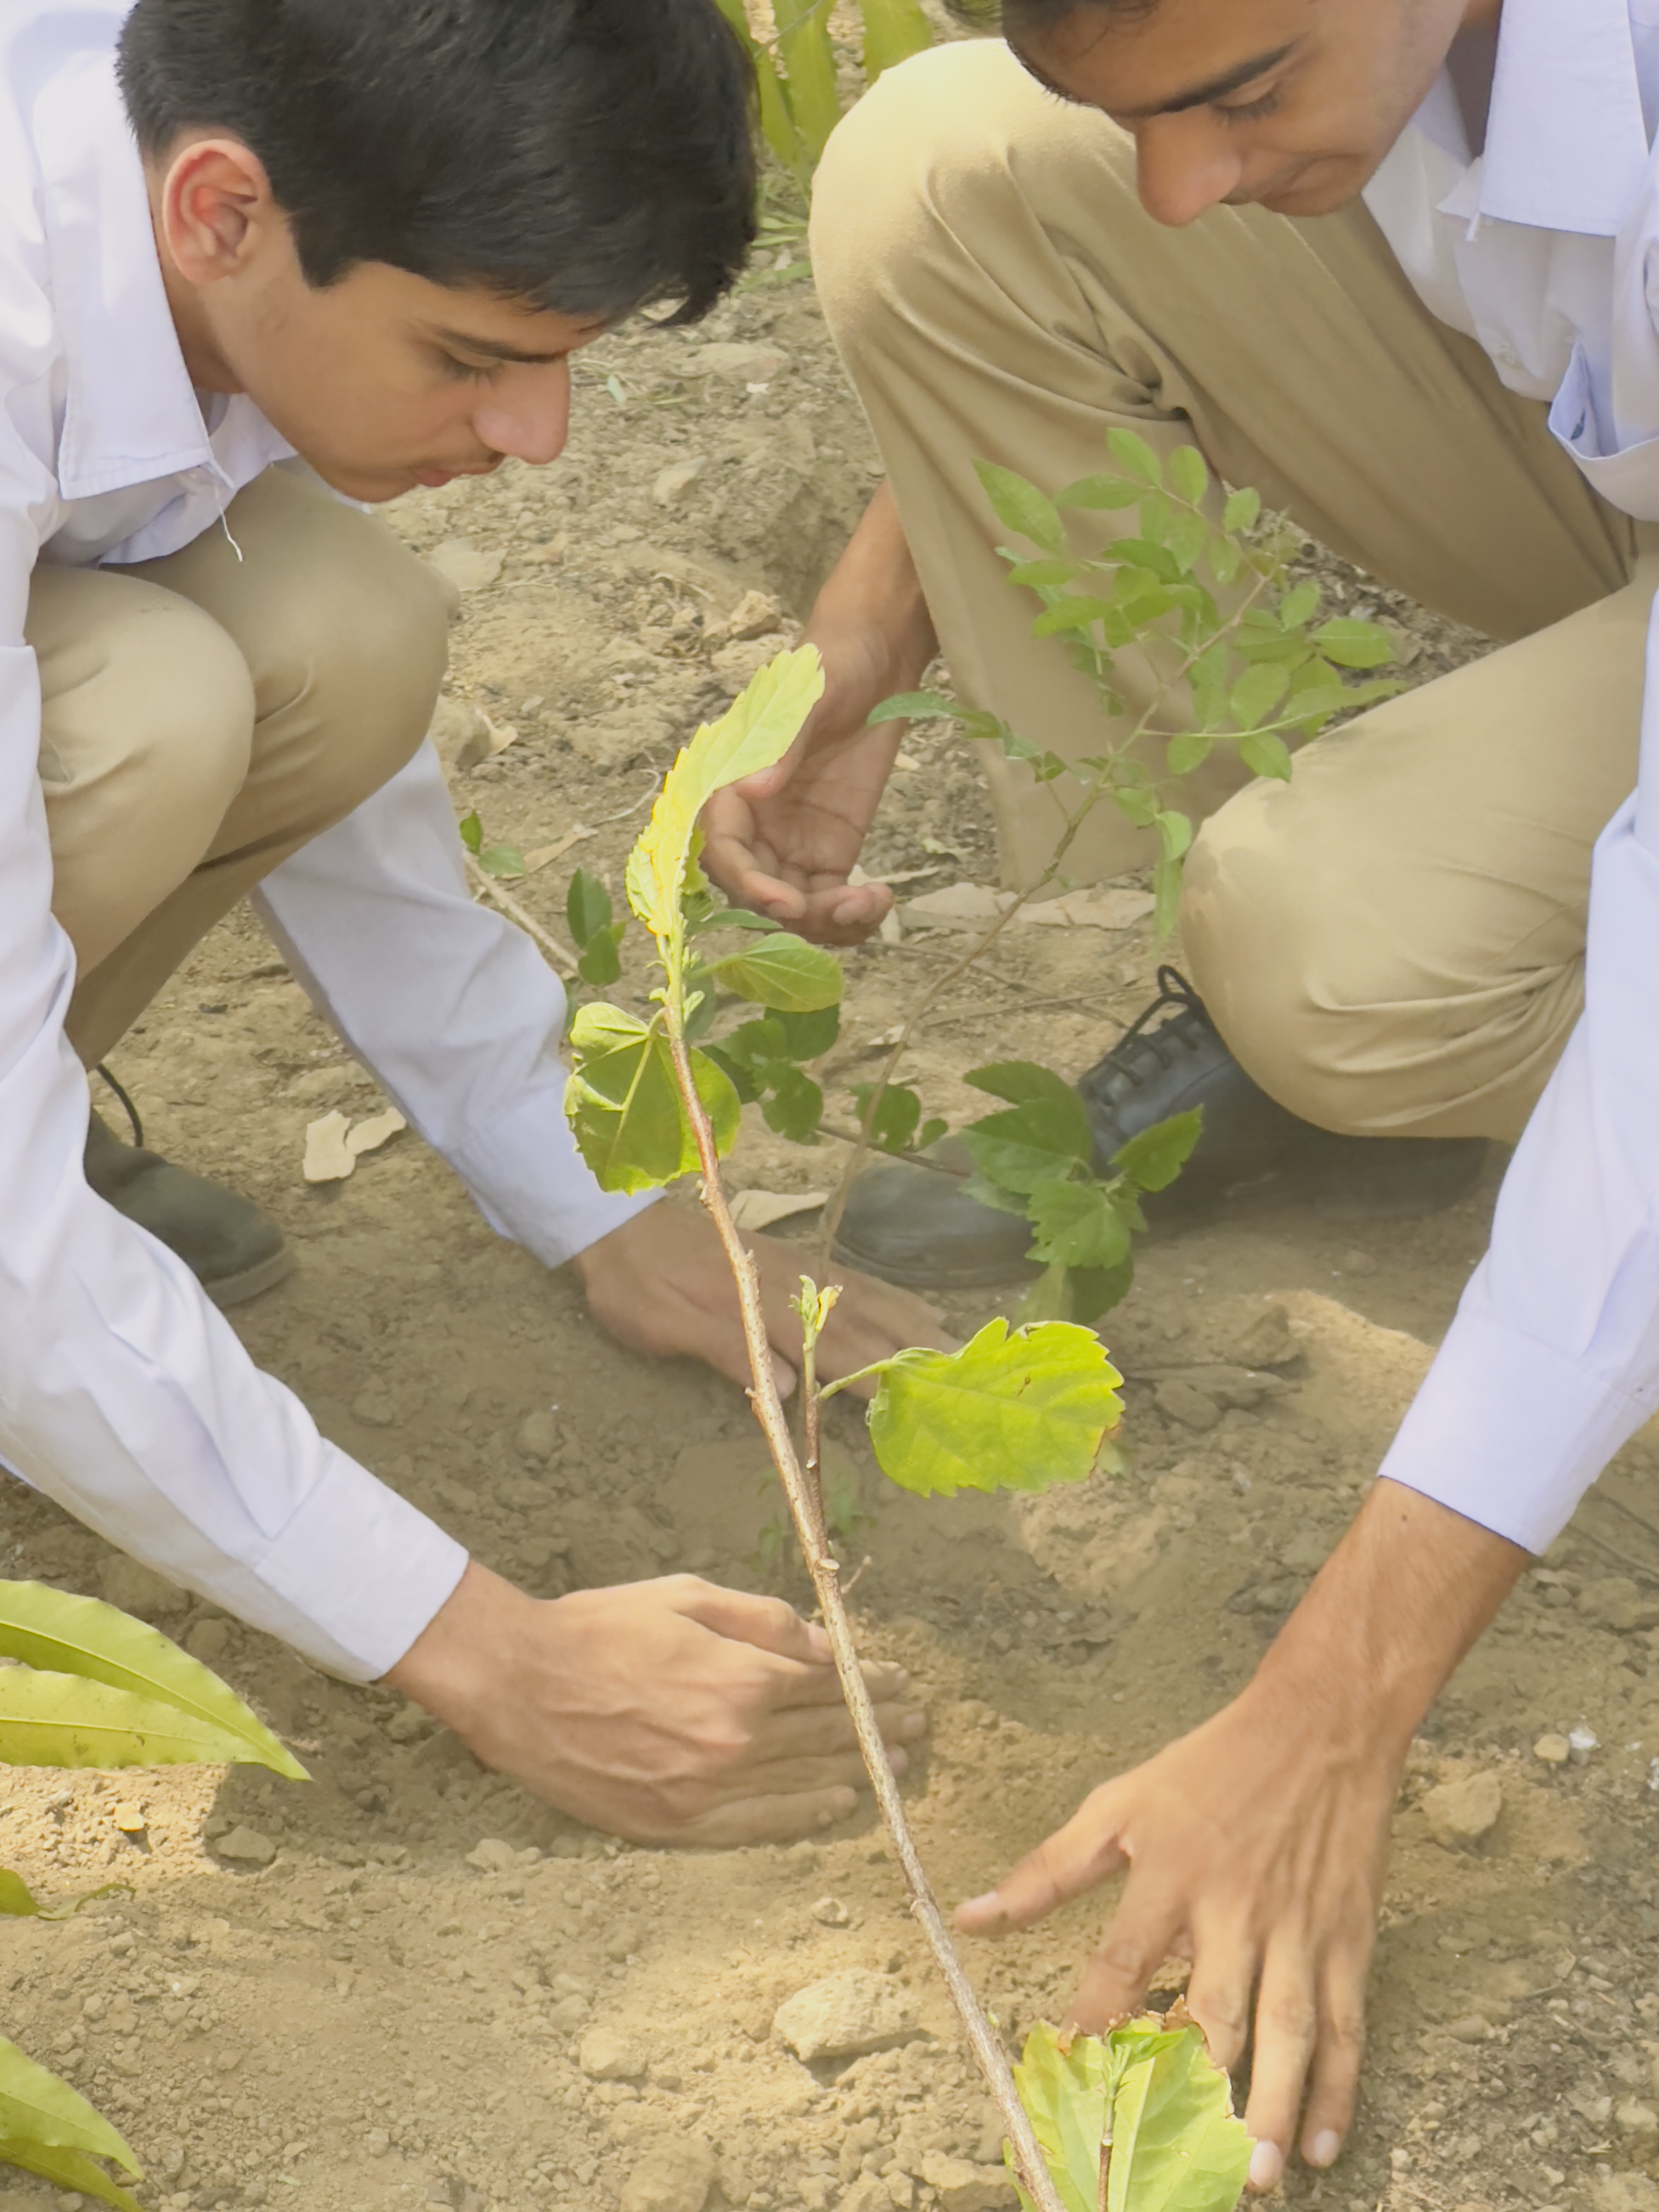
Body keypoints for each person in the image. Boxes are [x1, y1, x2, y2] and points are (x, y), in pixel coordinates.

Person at [702, 0, 1659, 2187]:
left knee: (1350, 956)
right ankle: (1286, 982)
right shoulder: (1318, 66)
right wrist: (864, 641)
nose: (1181, 188)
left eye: (1238, 95)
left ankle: (1355, 996)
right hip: (1616, 443)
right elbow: (1150, 147)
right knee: (941, 182)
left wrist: (1334, 1717)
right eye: (1142, 108)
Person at [0, 0, 944, 1858]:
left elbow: (359, 792)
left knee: (334, 636)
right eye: (472, 357)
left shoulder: (191, 121)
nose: (539, 432)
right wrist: (490, 1651)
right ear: (215, 212)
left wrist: (598, 1195)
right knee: (151, 717)